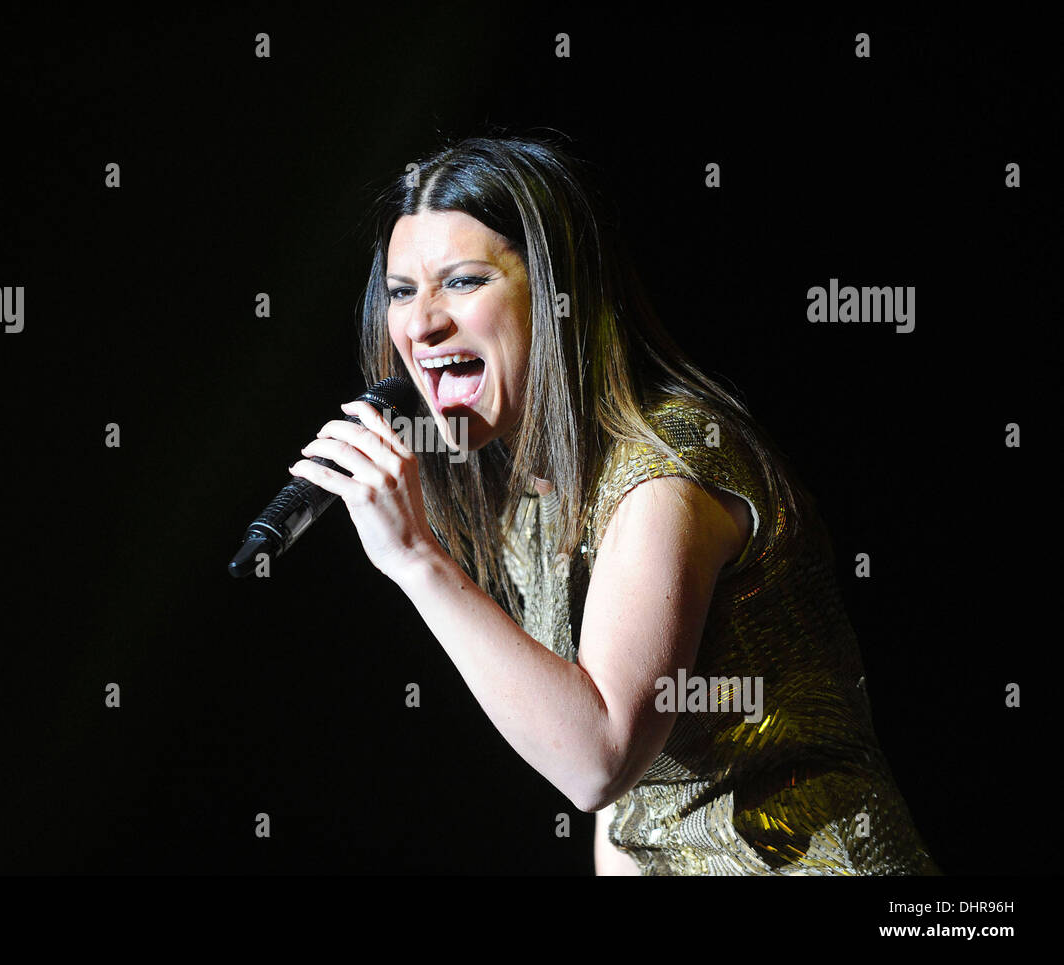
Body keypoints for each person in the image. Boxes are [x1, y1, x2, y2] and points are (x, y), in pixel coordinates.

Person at [288, 133, 940, 875]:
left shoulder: (668, 470)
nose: (422, 322)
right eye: (402, 292)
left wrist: (414, 558)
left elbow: (597, 756)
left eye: (463, 282)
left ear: (563, 294)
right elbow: (622, 807)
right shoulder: (534, 499)